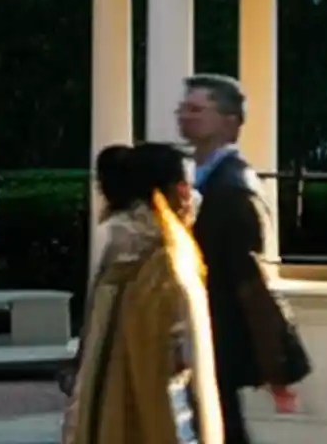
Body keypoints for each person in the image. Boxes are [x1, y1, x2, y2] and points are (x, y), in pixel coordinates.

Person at [177, 74, 310, 444]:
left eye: (197, 109)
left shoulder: (233, 189)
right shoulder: (200, 181)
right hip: (201, 329)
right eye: (184, 109)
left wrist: (277, 364)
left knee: (220, 426)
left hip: (220, 331)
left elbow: (251, 279)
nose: (186, 117)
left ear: (229, 121)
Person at [62, 143, 223, 444]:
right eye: (186, 186)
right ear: (171, 194)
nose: (191, 196)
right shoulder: (169, 268)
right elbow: (178, 386)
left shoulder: (115, 262)